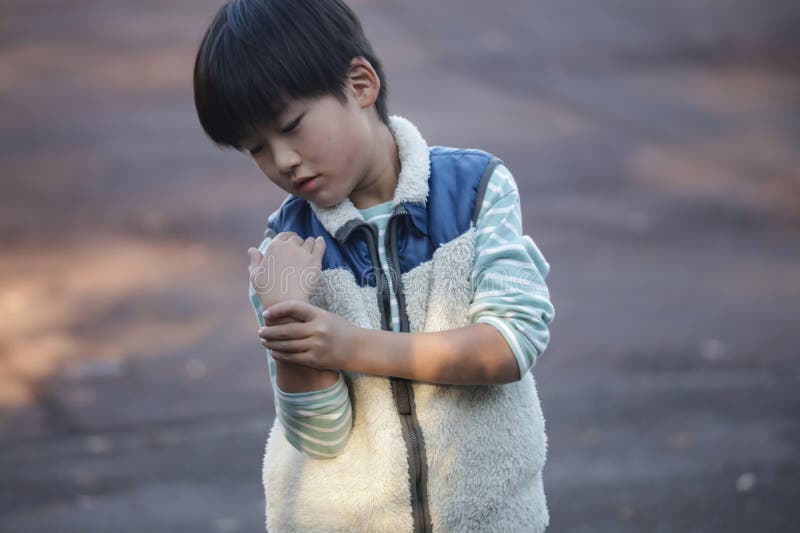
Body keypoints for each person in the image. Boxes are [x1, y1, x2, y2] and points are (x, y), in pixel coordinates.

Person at [193, 0, 555, 531]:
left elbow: (509, 344)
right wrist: (287, 315)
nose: (283, 161)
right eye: (258, 149)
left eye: (292, 126)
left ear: (361, 84)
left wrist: (350, 346)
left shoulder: (474, 192)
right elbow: (321, 436)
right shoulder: (288, 251)